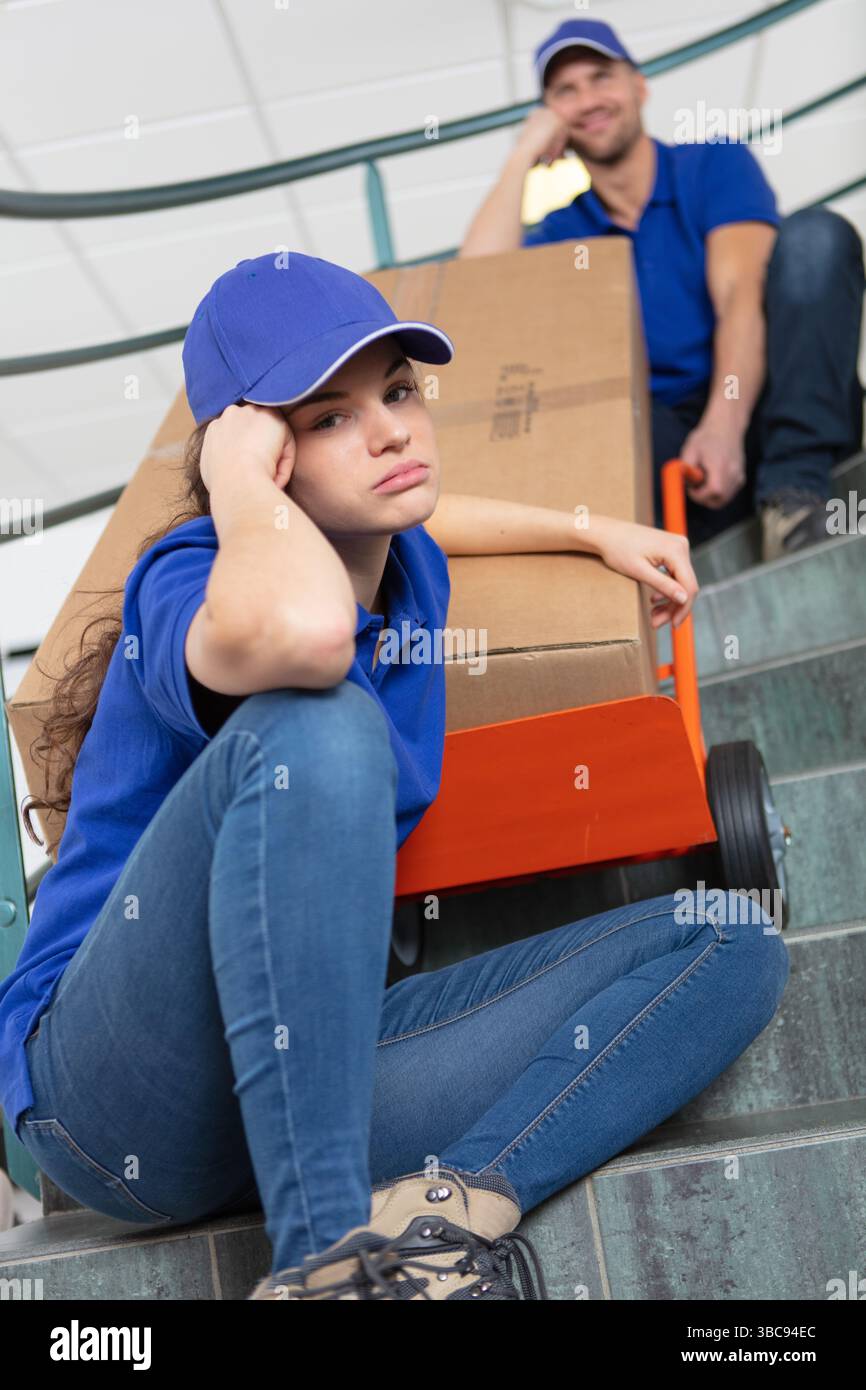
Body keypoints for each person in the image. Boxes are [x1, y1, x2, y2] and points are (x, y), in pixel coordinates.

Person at [0, 251, 789, 1301]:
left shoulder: (403, 561)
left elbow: (428, 512)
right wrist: (231, 479)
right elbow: (311, 636)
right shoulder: (192, 581)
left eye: (399, 392)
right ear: (263, 448)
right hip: (117, 1096)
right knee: (324, 728)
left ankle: (440, 1225)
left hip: (302, 1077)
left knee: (726, 937)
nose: (388, 431)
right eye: (326, 416)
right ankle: (325, 1265)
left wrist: (592, 529)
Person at [460, 17, 865, 563]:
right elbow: (475, 286)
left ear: (639, 86)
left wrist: (724, 426)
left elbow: (741, 293)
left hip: (773, 414)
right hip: (677, 462)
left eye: (601, 77)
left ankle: (795, 501)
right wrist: (521, 158)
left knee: (816, 237)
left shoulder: (712, 163)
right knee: (588, 404)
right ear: (550, 115)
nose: (587, 99)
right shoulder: (563, 232)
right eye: (565, 92)